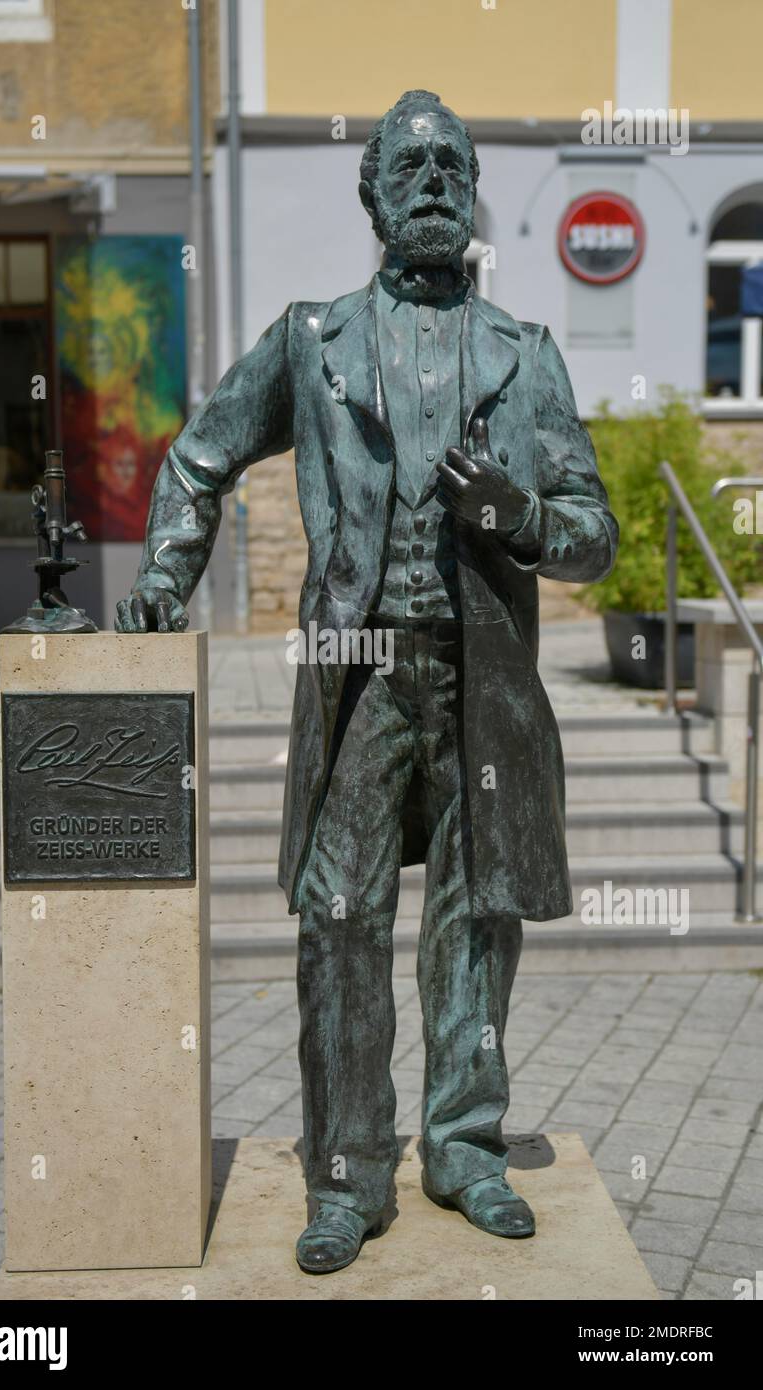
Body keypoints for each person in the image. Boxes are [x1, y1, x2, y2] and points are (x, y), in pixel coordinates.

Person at [116, 89, 618, 1275]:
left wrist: (521, 514)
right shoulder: (312, 338)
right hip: (357, 667)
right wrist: (161, 580)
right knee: (338, 911)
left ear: (474, 188)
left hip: (480, 672)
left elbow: (591, 532)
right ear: (372, 190)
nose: (434, 178)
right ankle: (346, 1170)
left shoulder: (523, 353)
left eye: (453, 162)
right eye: (410, 162)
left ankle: (462, 1146)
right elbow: (200, 454)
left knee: (474, 913)